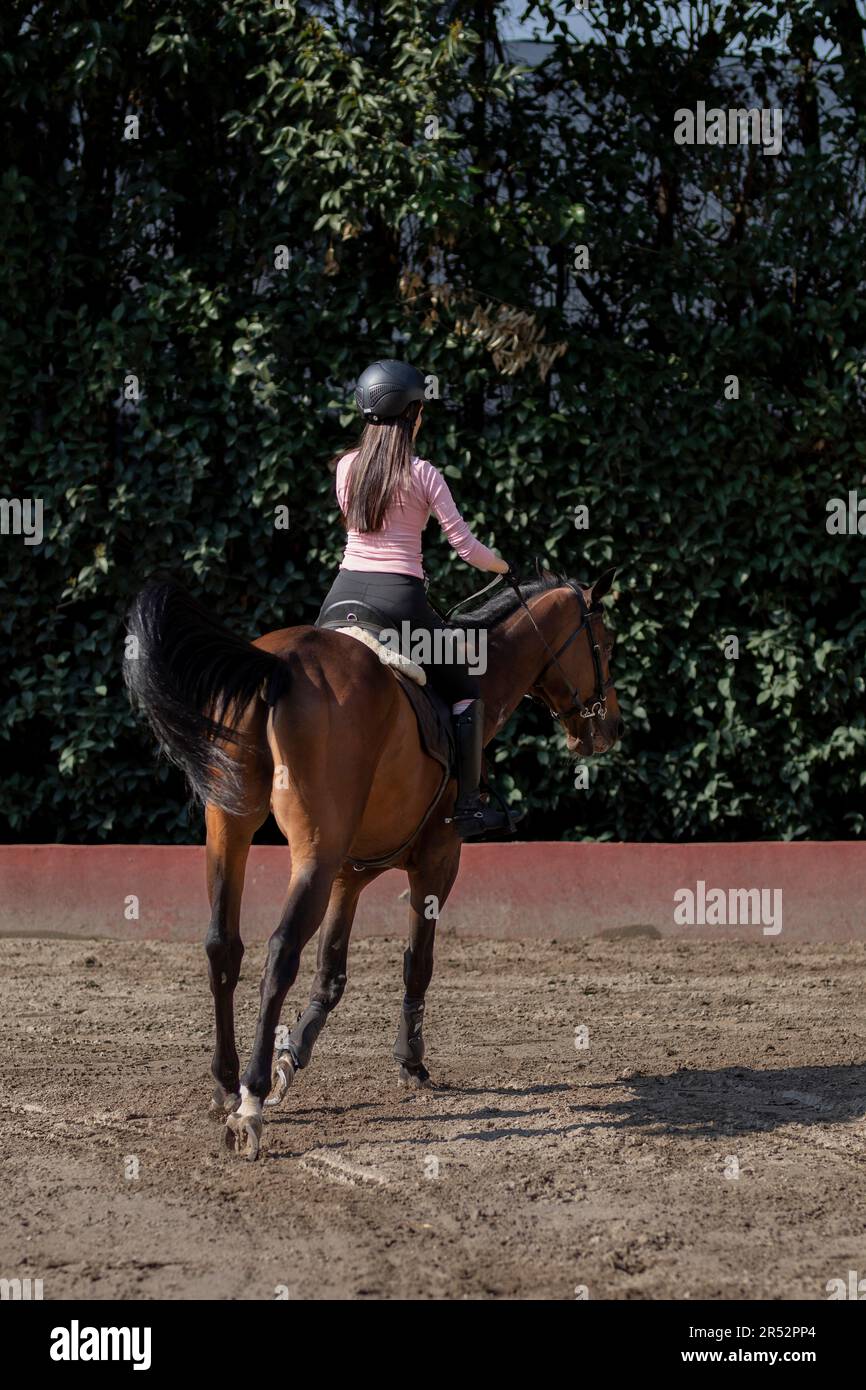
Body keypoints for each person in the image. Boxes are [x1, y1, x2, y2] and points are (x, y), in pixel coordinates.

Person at [316, 359, 513, 837]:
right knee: (466, 688)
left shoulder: (345, 468)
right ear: (414, 415)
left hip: (340, 599)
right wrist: (504, 567)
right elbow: (465, 548)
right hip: (399, 604)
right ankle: (468, 804)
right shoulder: (424, 474)